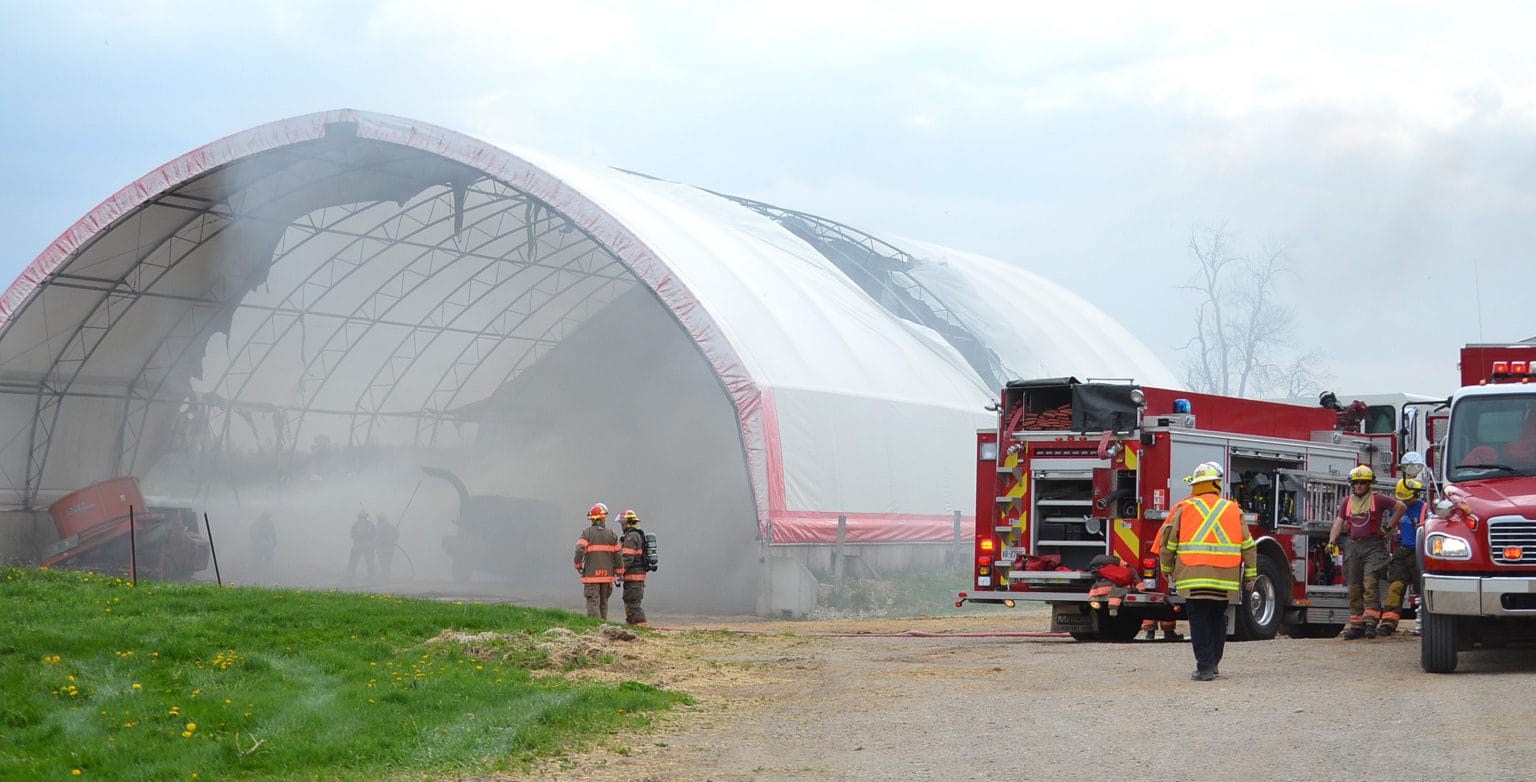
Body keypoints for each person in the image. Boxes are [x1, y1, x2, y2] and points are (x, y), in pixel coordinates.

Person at [1159, 461, 1257, 681]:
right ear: (1216, 484)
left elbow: (1169, 542)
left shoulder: (1185, 508)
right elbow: (1248, 544)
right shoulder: (1233, 508)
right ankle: (1212, 664)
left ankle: (1204, 666)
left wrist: (1166, 569)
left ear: (1196, 485)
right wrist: (1250, 574)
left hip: (1193, 577)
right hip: (1224, 578)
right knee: (1216, 617)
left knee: (1199, 619)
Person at [1328, 466, 1407, 640]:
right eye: (1356, 483)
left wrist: (1389, 525)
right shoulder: (1347, 502)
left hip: (1374, 546)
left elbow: (1401, 507)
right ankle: (1357, 625)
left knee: (1370, 582)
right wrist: (1331, 541)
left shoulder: (1377, 499)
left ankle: (1371, 622)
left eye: (1363, 483)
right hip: (1353, 547)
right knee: (1354, 586)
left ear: (1370, 484)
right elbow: (1338, 522)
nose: (1359, 486)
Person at [1379, 478, 1427, 636]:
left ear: (1416, 494)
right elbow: (1392, 528)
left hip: (1418, 553)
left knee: (1422, 591)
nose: (1403, 501)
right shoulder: (1397, 508)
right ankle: (1388, 623)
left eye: (1406, 498)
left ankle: (1425, 625)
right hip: (1401, 552)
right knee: (1395, 587)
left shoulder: (1424, 509)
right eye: (1401, 498)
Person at [573, 502, 621, 620]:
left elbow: (579, 549)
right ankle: (604, 627)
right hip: (607, 575)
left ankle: (595, 627)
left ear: (591, 519)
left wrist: (578, 564)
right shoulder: (612, 534)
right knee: (603, 603)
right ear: (604, 518)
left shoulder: (587, 533)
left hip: (591, 575)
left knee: (593, 601)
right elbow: (618, 554)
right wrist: (619, 571)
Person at [617, 508, 650, 627]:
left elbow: (627, 558)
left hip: (634, 577)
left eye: (622, 523)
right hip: (635, 577)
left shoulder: (631, 537)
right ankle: (631, 625)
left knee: (633, 603)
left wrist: (619, 572)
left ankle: (641, 625)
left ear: (627, 522)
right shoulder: (636, 534)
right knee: (629, 601)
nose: (621, 525)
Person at [347, 510, 377, 580]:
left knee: (353, 560)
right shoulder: (370, 524)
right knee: (369, 561)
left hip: (358, 545)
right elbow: (375, 533)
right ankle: (372, 575)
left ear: (359, 516)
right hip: (368, 546)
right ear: (366, 516)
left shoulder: (356, 524)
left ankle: (350, 574)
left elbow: (352, 534)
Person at [249, 510, 277, 584]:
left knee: (268, 559)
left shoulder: (269, 523)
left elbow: (273, 533)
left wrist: (274, 541)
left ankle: (267, 574)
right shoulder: (257, 522)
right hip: (259, 543)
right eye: (267, 516)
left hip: (265, 543)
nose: (268, 518)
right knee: (258, 558)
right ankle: (257, 574)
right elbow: (251, 531)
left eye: (268, 516)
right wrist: (254, 539)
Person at [375, 513, 399, 580]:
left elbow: (396, 535)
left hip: (386, 548)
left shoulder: (383, 527)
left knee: (385, 561)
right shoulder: (389, 527)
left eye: (379, 519)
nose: (378, 520)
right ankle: (385, 574)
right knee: (385, 561)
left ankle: (386, 574)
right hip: (386, 548)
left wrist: (389, 539)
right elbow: (396, 535)